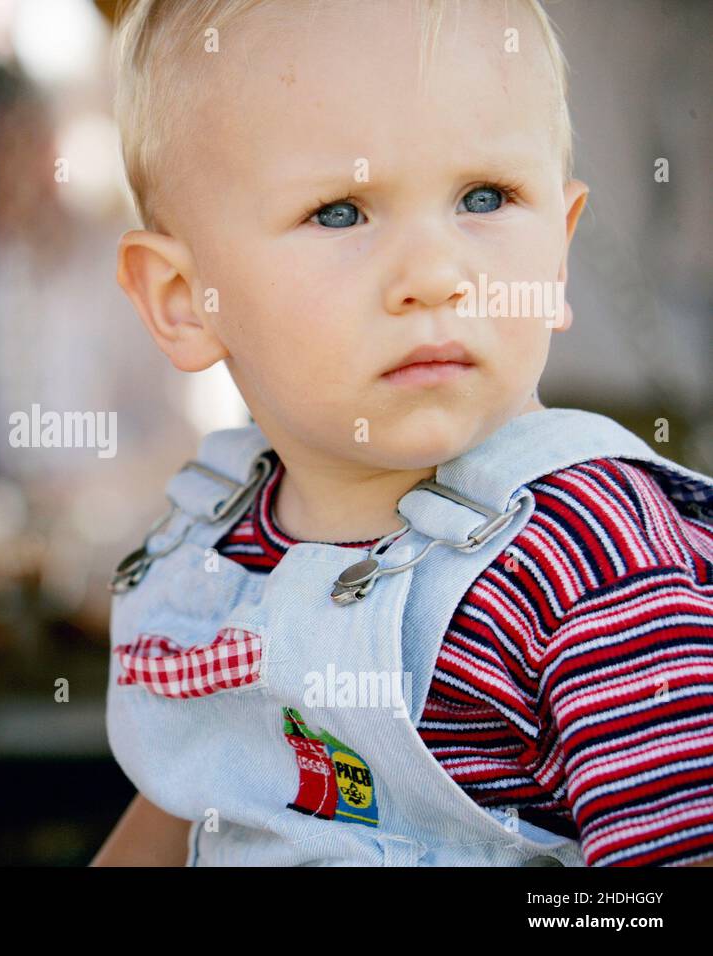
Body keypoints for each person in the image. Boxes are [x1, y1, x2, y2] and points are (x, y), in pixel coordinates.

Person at [93, 0, 713, 867]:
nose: (435, 275)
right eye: (342, 212)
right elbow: (198, 799)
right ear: (183, 300)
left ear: (558, 259)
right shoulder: (219, 545)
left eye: (485, 198)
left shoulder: (594, 565)